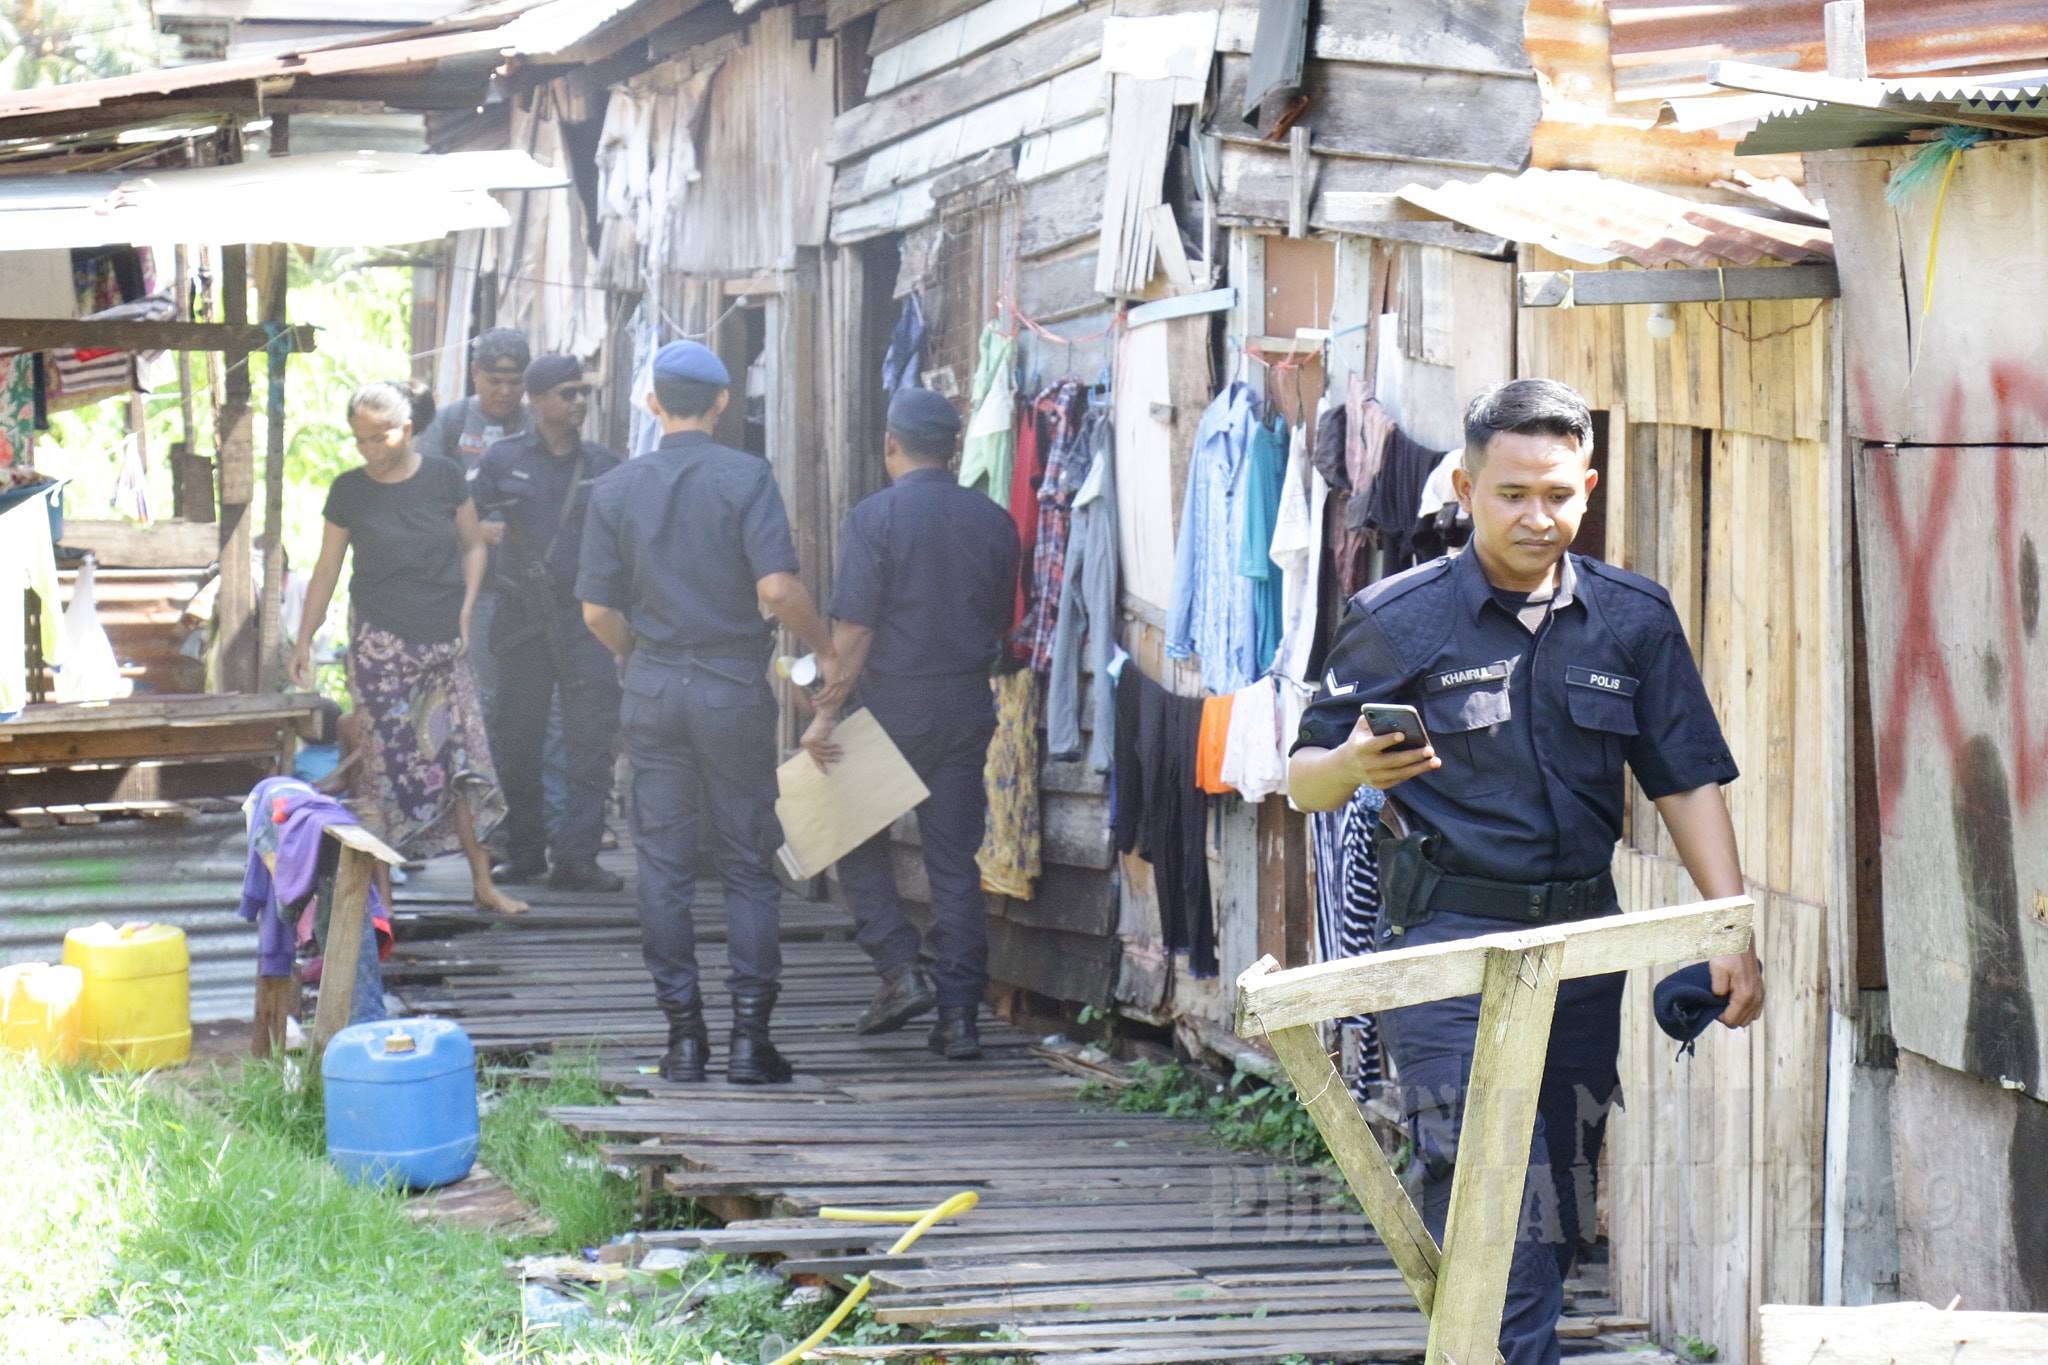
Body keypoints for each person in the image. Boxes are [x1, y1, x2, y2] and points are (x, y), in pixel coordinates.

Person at [1287, 378, 1764, 1365]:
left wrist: (1730, 933)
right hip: (1446, 943)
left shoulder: (1632, 619)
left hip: (1581, 944)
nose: (1535, 517)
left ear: (1586, 487)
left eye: (1556, 493)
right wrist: (1348, 768)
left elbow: (1683, 780)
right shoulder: (1396, 618)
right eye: (1510, 494)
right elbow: (1303, 781)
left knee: (1554, 1186)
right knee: (1473, 1175)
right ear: (1463, 487)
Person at [576, 340, 840, 1085]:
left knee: (661, 868)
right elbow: (780, 591)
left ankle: (682, 1041)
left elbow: (597, 611)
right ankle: (751, 1043)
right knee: (748, 865)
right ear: (723, 402)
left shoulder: (615, 487)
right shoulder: (745, 475)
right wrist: (827, 650)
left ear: (653, 402)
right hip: (729, 686)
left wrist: (639, 657)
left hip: (654, 687)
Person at [799, 388, 1020, 1060]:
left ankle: (899, 969)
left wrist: (827, 713)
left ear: (890, 443)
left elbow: (856, 627)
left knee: (837, 822)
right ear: (953, 449)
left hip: (894, 701)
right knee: (953, 860)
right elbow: (1004, 621)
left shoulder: (875, 518)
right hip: (967, 702)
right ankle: (959, 1019)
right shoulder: (995, 520)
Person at [290, 381, 526, 915]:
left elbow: (472, 546)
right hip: (379, 642)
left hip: (444, 639)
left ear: (407, 430)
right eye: (360, 440)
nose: (369, 450)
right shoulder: (349, 490)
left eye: (380, 438)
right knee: (380, 764)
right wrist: (304, 640)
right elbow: (327, 569)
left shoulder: (444, 477)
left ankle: (483, 883)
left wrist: (466, 609)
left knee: (464, 755)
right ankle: (384, 894)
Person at [472, 355, 624, 893]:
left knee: (590, 737)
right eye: (567, 393)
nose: (578, 402)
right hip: (520, 618)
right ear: (536, 402)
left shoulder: (607, 464)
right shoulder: (502, 460)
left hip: (586, 619)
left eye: (582, 392)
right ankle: (526, 849)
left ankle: (577, 857)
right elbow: (468, 528)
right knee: (518, 738)